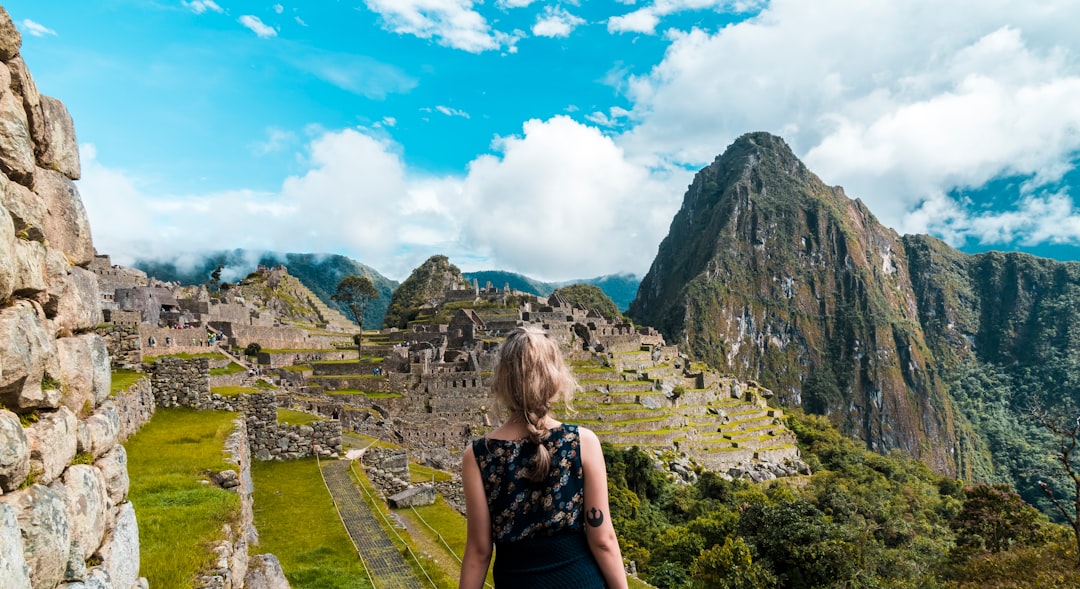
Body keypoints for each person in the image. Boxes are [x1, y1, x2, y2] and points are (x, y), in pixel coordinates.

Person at [459, 326, 627, 589]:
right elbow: (603, 539)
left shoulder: (479, 455)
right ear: (554, 378)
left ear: (503, 379)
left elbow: (479, 552)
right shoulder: (582, 443)